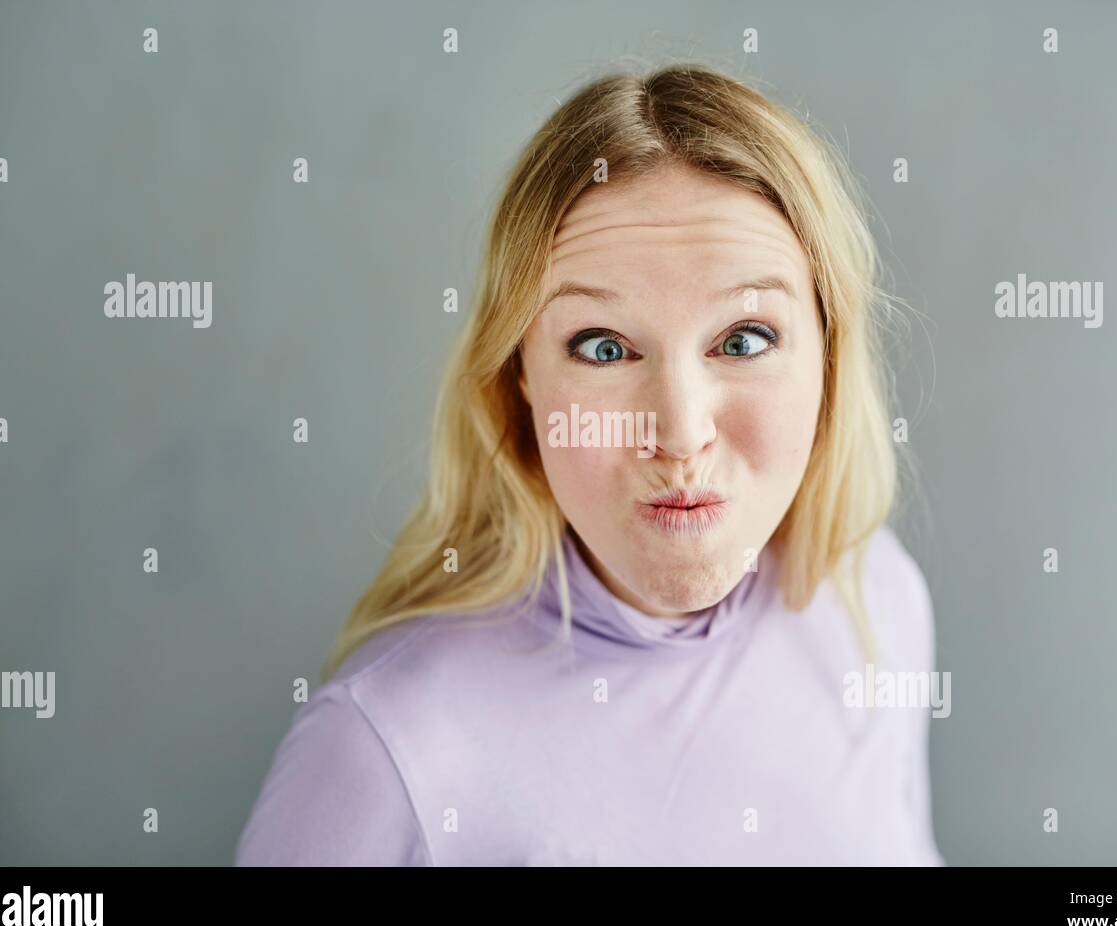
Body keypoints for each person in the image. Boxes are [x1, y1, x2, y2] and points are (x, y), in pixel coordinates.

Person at [235, 62, 945, 866]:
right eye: (604, 348)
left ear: (830, 357)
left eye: (744, 339)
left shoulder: (875, 604)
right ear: (520, 381)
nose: (679, 434)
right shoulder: (384, 748)